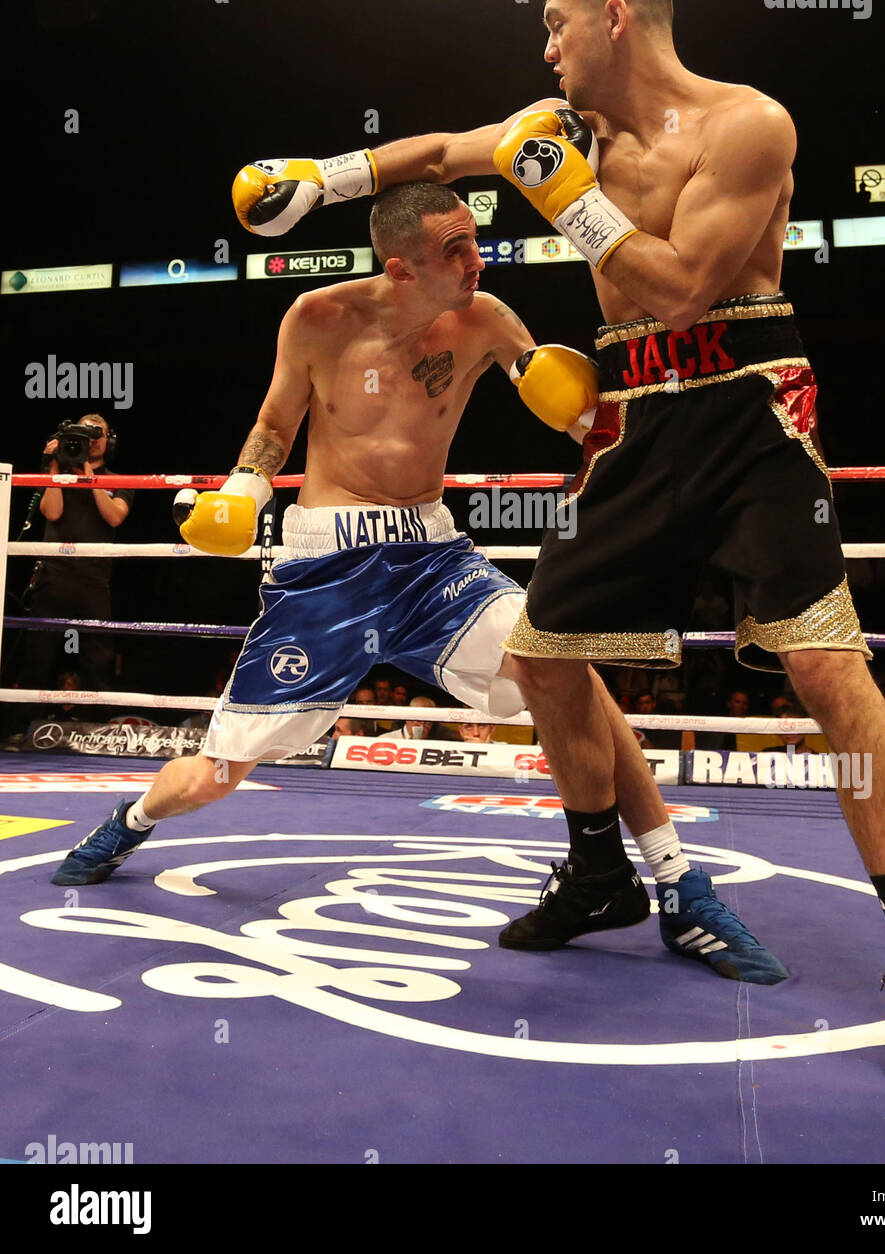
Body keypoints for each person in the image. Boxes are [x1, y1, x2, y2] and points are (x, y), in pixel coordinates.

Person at [226, 0, 885, 1094]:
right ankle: (598, 871)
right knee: (542, 655)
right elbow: (438, 151)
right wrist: (319, 178)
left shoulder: (746, 125)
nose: (546, 49)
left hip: (747, 404)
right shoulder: (561, 127)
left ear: (614, 17)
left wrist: (565, 198)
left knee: (827, 670)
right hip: (634, 417)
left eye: (556, 26)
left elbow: (679, 285)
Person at [50, 182, 588, 893]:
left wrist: (615, 445)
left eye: (474, 242)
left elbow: (567, 403)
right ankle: (132, 820)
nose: (477, 261)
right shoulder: (318, 317)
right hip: (327, 566)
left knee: (555, 665)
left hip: (432, 557)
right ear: (400, 268)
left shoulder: (484, 317)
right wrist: (242, 493)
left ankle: (606, 866)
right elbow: (275, 427)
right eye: (455, 249)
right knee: (218, 774)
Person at [12, 413, 132, 732]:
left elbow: (115, 517)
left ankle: (99, 729)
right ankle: (21, 728)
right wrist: (53, 467)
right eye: (84, 435)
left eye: (97, 434)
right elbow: (52, 512)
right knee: (38, 654)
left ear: (109, 440)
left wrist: (90, 476)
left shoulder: (117, 480)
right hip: (54, 575)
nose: (91, 440)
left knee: (98, 657)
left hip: (94, 579)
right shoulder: (58, 475)